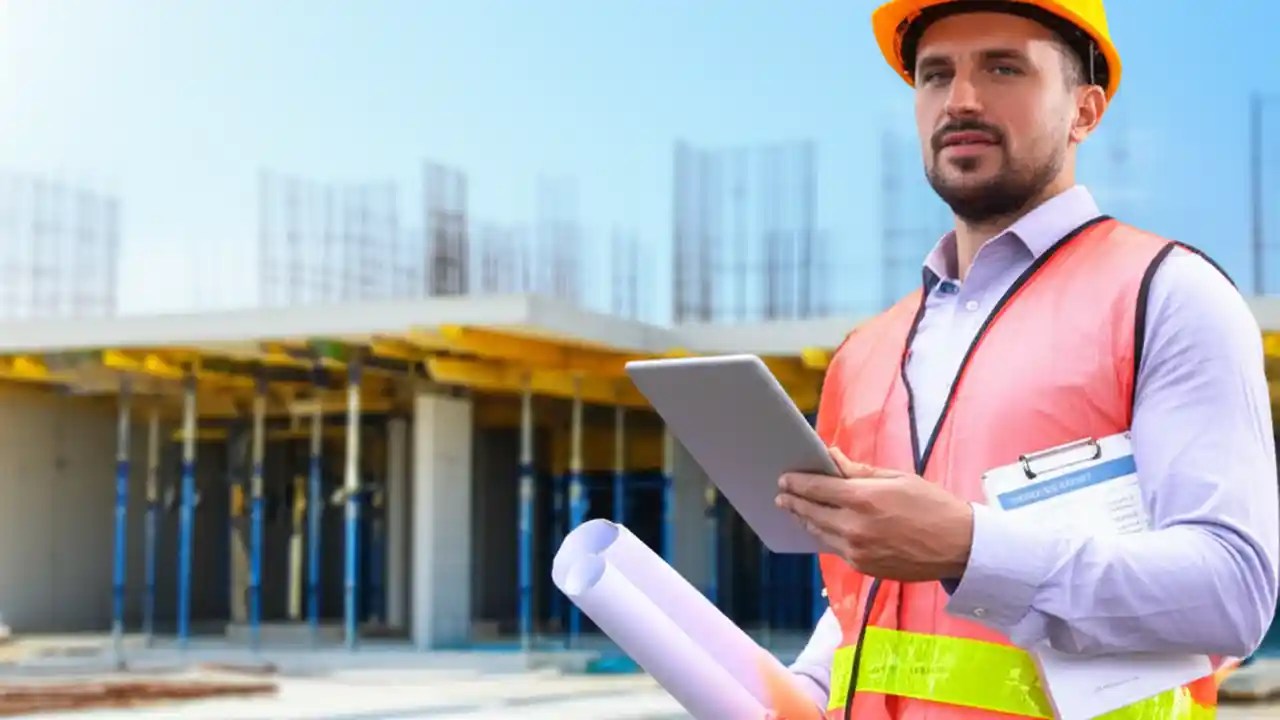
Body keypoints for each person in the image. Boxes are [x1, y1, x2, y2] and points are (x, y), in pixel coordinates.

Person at [771, 1, 1280, 718]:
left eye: (1004, 68)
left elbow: (1234, 592)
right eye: (935, 75)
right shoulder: (867, 353)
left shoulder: (1166, 295)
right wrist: (799, 688)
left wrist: (970, 548)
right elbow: (871, 603)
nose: (962, 100)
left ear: (1085, 109)